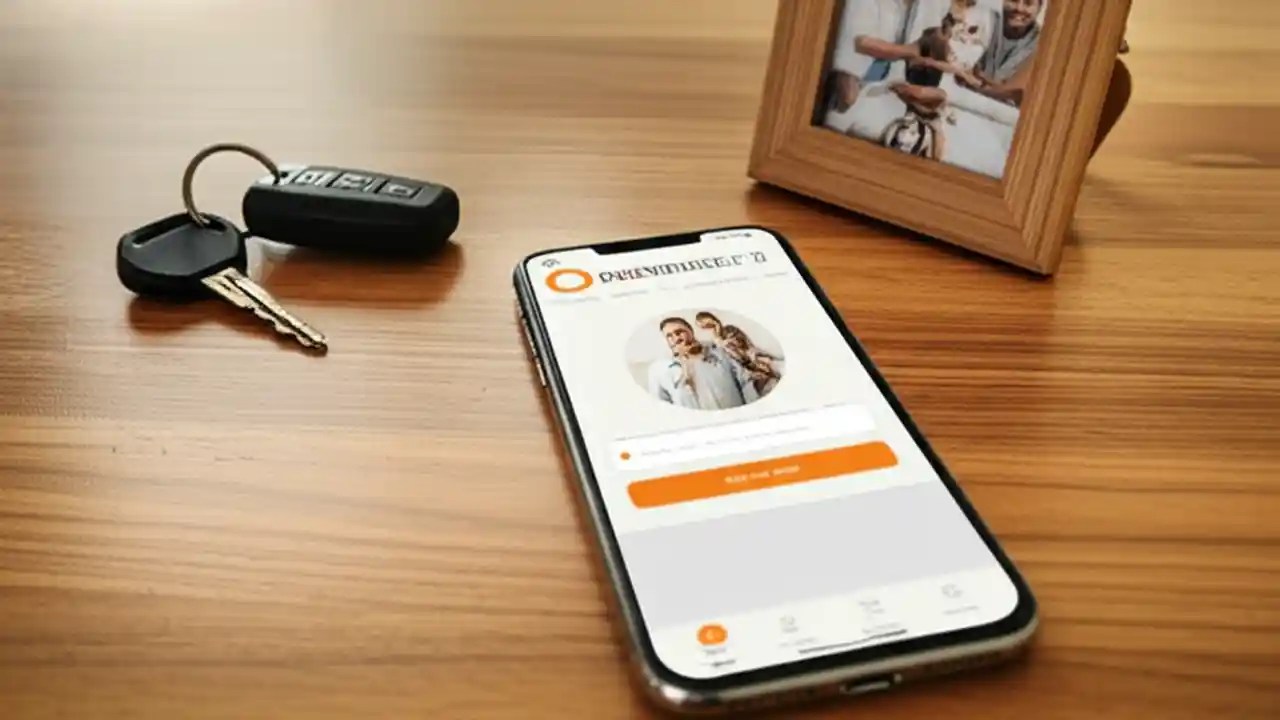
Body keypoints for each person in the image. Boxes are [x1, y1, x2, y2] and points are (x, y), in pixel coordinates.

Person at [823, 0, 954, 131]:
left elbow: (931, 45)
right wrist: (913, 50)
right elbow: (862, 43)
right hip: (853, 90)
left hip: (889, 94)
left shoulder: (931, 5)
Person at [646, 317, 760, 410]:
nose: (676, 339)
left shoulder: (721, 353)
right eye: (669, 336)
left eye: (679, 332)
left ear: (691, 331)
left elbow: (746, 382)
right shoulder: (662, 371)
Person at [694, 312, 785, 396]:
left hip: (755, 361)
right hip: (748, 372)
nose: (704, 327)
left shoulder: (728, 331)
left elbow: (745, 346)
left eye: (703, 323)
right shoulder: (716, 343)